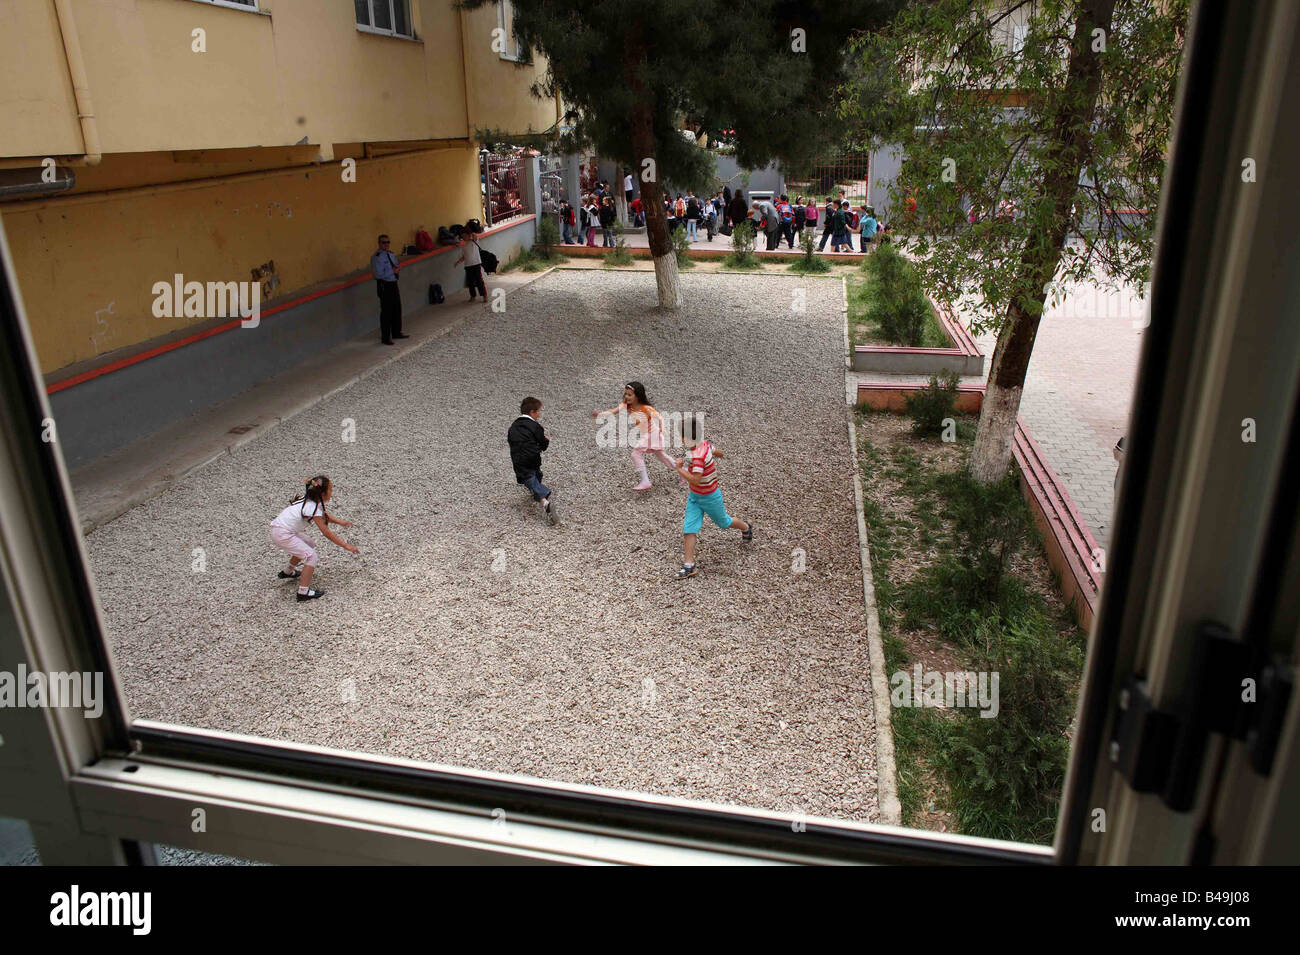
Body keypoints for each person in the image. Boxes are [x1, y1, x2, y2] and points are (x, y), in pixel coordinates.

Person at [673, 417, 752, 580]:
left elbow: (695, 478)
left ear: (685, 438)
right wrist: (719, 455)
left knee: (724, 522)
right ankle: (689, 565)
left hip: (710, 497)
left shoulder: (697, 457)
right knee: (689, 528)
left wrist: (679, 469)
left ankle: (745, 527)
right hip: (695, 496)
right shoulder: (705, 444)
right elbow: (717, 451)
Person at [269, 475, 359, 602]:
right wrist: (345, 545)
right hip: (283, 534)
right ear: (322, 494)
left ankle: (288, 571)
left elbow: (323, 515)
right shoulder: (313, 507)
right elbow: (326, 531)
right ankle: (303, 592)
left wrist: (340, 522)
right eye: (330, 490)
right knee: (312, 556)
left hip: (279, 530)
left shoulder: (307, 500)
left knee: (308, 543)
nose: (331, 493)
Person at [591, 381, 681, 491]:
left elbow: (660, 417)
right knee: (662, 457)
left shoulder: (645, 408)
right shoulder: (627, 406)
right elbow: (613, 411)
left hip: (652, 434)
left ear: (637, 395)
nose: (627, 397)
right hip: (648, 434)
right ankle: (683, 471)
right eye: (626, 394)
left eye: (630, 394)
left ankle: (645, 481)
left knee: (636, 454)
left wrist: (663, 428)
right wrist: (600, 414)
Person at [509, 396, 558, 524]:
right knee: (532, 474)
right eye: (538, 412)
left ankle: (539, 494)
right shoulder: (535, 426)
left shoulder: (513, 426)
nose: (539, 415)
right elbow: (543, 444)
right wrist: (546, 440)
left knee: (528, 476)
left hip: (518, 458)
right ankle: (544, 501)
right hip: (533, 456)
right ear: (532, 412)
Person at [370, 234, 407, 345]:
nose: (386, 244)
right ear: (379, 243)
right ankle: (385, 337)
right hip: (384, 285)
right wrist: (393, 272)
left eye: (388, 242)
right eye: (383, 242)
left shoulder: (390, 254)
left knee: (397, 308)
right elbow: (378, 274)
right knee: (386, 311)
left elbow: (395, 265)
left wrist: (397, 268)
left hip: (393, 283)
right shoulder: (377, 257)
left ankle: (396, 332)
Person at [454, 228, 488, 302]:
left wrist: (470, 233)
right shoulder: (464, 245)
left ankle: (484, 295)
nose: (463, 237)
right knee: (470, 282)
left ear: (468, 235)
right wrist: (458, 262)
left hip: (476, 264)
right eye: (462, 236)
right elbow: (464, 256)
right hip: (468, 265)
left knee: (479, 280)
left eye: (465, 235)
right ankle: (473, 296)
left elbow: (474, 234)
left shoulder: (474, 241)